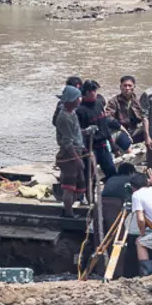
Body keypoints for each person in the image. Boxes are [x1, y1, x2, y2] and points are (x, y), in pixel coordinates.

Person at [76, 80, 121, 179]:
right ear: (85, 93)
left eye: (95, 90)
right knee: (90, 176)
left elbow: (104, 126)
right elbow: (78, 133)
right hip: (90, 148)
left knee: (112, 172)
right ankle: (89, 194)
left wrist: (113, 146)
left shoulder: (99, 103)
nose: (93, 93)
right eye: (90, 91)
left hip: (103, 146)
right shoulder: (80, 110)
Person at [54, 85, 86, 217]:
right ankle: (68, 212)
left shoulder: (71, 113)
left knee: (80, 184)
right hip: (69, 155)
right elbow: (67, 142)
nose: (80, 100)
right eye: (78, 98)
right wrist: (77, 159)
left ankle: (69, 208)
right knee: (69, 185)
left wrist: (86, 131)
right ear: (72, 100)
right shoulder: (64, 118)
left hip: (77, 150)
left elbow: (74, 133)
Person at [105, 75, 145, 153]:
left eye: (129, 86)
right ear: (120, 87)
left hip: (134, 131)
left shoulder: (138, 101)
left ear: (134, 87)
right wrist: (119, 126)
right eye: (125, 86)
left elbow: (144, 116)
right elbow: (108, 117)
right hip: (121, 131)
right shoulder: (113, 102)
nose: (127, 88)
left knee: (151, 127)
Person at [100, 161, 136, 232]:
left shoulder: (111, 178)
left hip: (100, 203)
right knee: (117, 231)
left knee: (102, 230)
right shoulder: (131, 180)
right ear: (130, 172)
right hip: (116, 205)